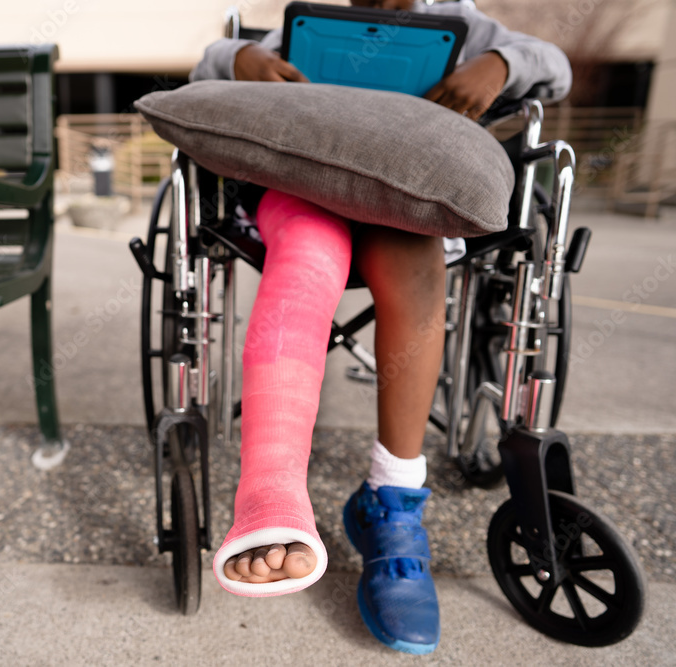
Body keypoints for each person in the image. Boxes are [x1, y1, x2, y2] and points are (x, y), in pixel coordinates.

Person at [189, 0, 571, 655]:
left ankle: (390, 502)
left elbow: (555, 67)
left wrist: (499, 62)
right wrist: (242, 58)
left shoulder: (465, 25)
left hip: (406, 198)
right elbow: (207, 63)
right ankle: (270, 489)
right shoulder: (313, 26)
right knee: (309, 252)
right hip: (302, 186)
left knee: (416, 264)